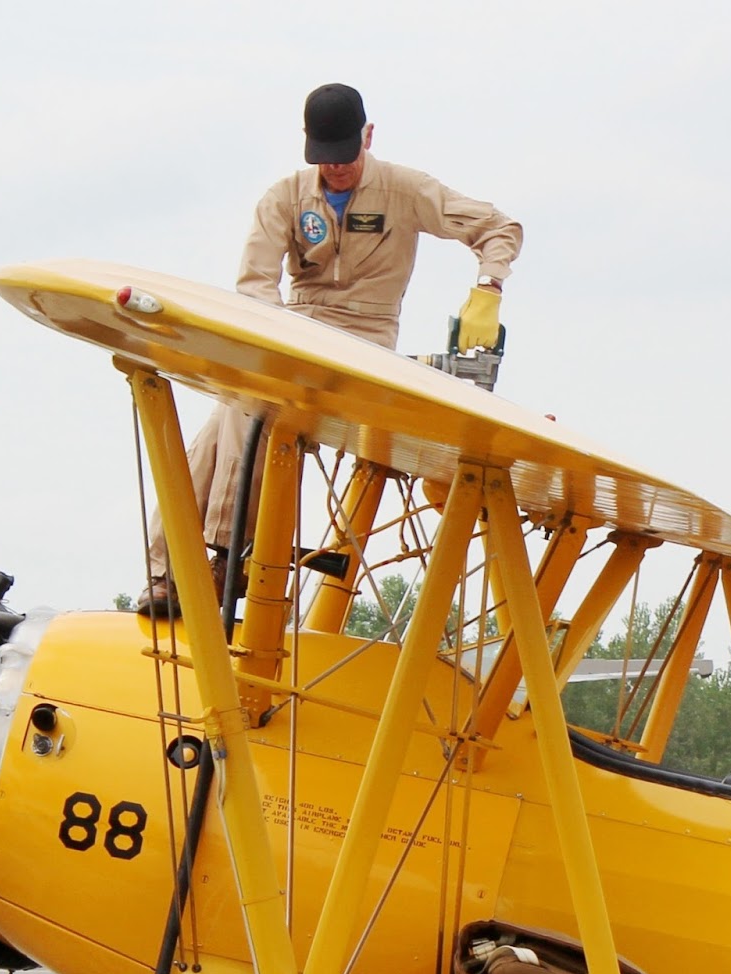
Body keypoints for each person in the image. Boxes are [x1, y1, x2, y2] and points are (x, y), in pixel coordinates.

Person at [136, 82, 523, 617]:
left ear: (368, 137)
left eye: (345, 158)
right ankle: (166, 573)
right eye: (324, 160)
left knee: (245, 406)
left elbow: (499, 227)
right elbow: (254, 284)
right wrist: (273, 343)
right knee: (226, 410)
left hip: (365, 340)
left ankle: (225, 553)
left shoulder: (405, 190)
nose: (335, 170)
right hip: (297, 329)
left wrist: (489, 287)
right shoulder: (284, 197)